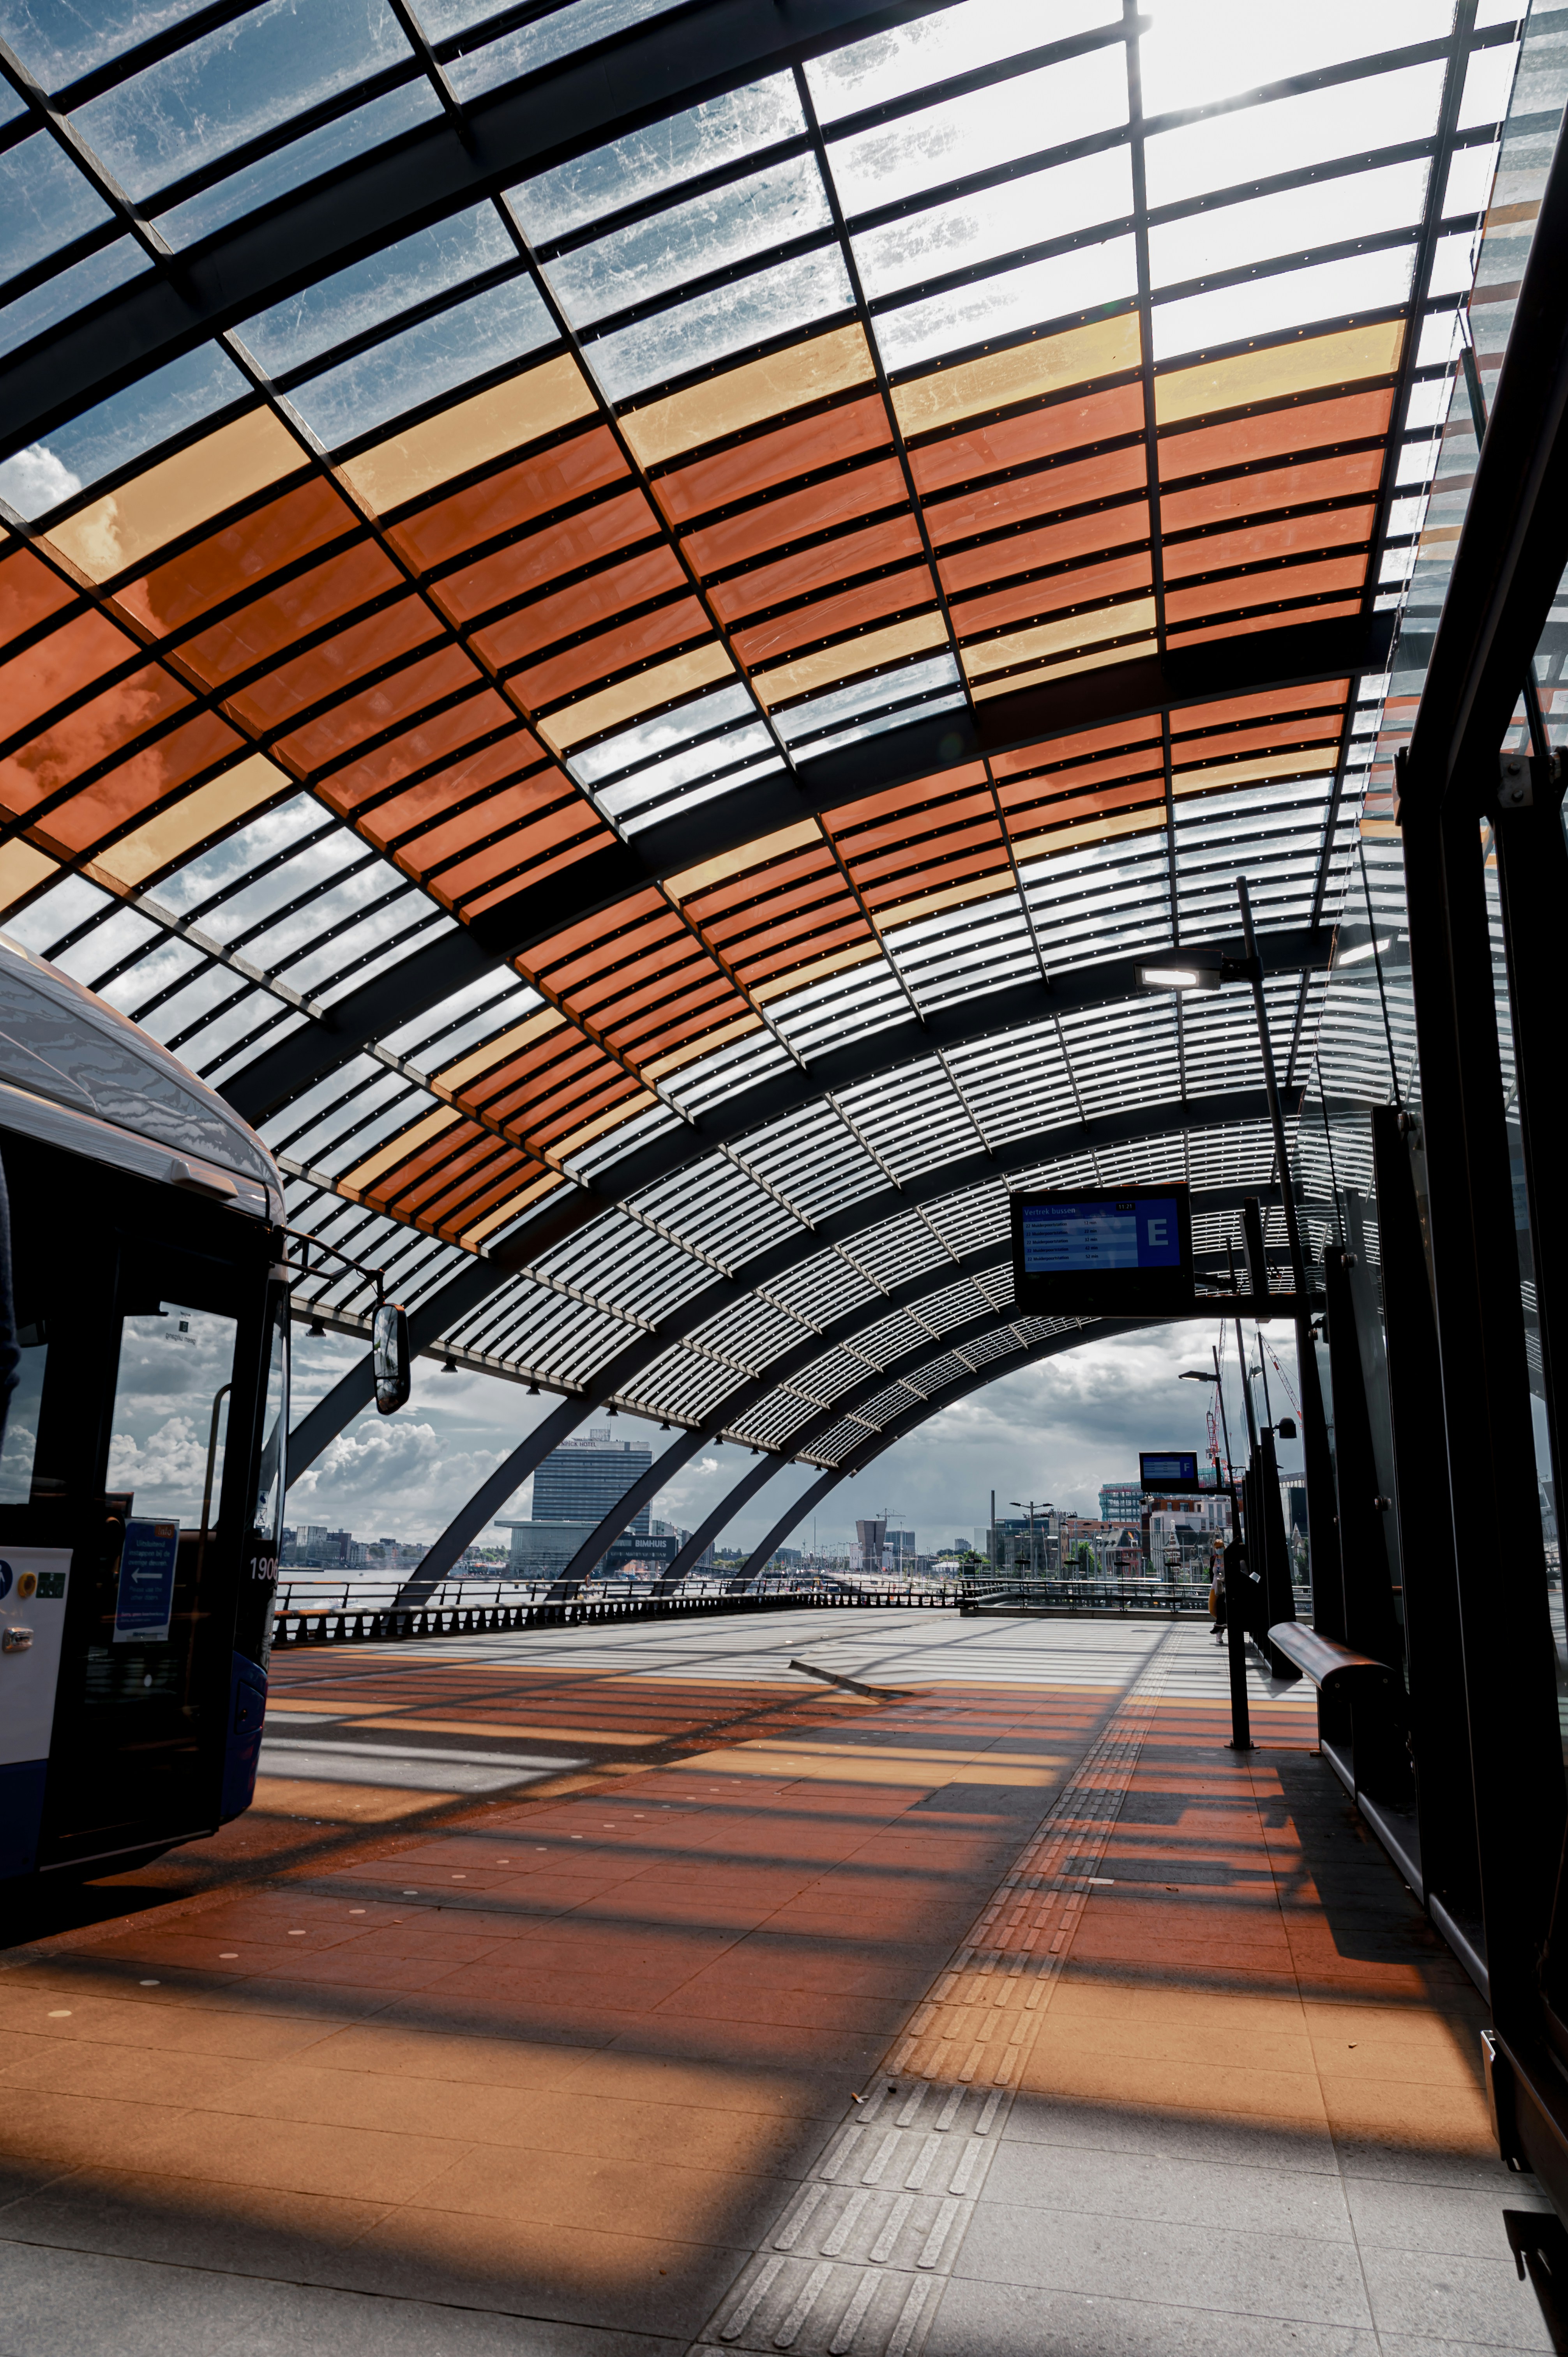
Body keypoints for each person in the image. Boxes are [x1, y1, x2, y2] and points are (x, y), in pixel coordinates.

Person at [1210, 1561, 1227, 1642]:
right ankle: (1219, 1627)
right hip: (1219, 1587)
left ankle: (1219, 1629)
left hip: (1225, 1588)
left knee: (1221, 1605)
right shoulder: (1214, 1559)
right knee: (1219, 1606)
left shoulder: (1240, 1562)